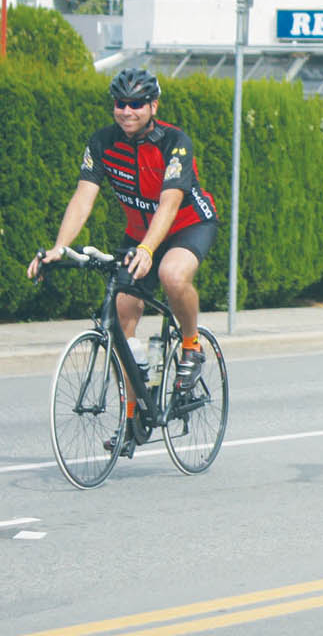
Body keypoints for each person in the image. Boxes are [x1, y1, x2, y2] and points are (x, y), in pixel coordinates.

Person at [26, 67, 219, 458]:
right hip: (140, 232)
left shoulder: (174, 142)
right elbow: (84, 197)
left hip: (186, 224)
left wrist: (149, 250)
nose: (126, 111)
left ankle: (191, 345)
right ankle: (133, 418)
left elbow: (170, 202)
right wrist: (60, 247)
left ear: (153, 106)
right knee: (122, 313)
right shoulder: (102, 143)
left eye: (135, 104)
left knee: (171, 273)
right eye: (120, 103)